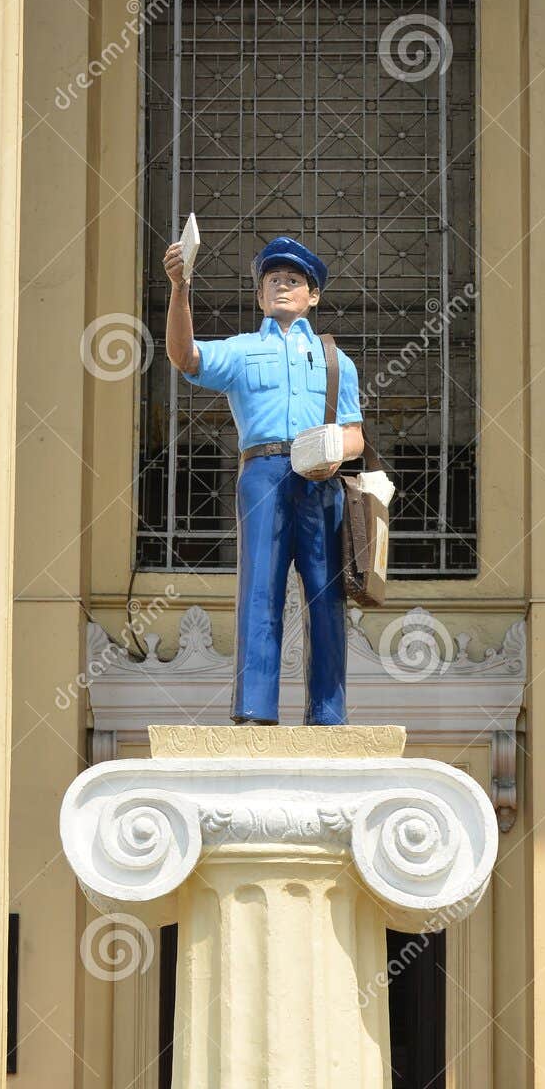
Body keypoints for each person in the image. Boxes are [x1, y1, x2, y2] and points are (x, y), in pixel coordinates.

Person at [163, 235, 364, 725]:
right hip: (265, 473)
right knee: (260, 588)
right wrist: (179, 289)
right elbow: (185, 357)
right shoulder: (243, 350)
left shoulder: (336, 359)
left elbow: (356, 434)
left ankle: (327, 714)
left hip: (321, 479)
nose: (282, 286)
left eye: (293, 280)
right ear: (259, 295)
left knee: (326, 593)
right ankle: (255, 708)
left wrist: (334, 452)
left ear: (312, 296)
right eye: (272, 279)